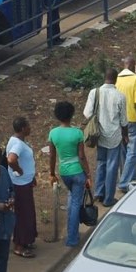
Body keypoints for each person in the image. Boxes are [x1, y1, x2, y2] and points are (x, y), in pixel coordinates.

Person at [47, 100, 91, 247]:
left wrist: (52, 173)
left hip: (64, 172)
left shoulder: (53, 133)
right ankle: (72, 238)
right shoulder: (77, 133)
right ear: (71, 115)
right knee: (76, 203)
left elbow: (52, 156)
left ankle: (71, 232)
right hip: (78, 171)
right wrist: (88, 174)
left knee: (72, 198)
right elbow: (82, 156)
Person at [83, 67, 128, 206]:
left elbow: (87, 113)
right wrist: (125, 135)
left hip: (99, 134)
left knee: (101, 163)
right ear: (116, 79)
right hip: (114, 135)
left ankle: (99, 193)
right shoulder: (120, 96)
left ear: (104, 77)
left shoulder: (94, 92)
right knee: (112, 166)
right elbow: (123, 121)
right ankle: (108, 199)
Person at [5, 117, 38, 257]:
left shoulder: (16, 140)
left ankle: (26, 240)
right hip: (20, 185)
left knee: (27, 213)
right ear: (23, 128)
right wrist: (19, 170)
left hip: (25, 182)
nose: (30, 128)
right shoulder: (18, 144)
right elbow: (11, 159)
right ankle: (19, 245)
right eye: (28, 126)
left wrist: (31, 176)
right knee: (23, 215)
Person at [115, 55, 136, 190]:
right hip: (133, 120)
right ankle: (124, 183)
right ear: (133, 66)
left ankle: (130, 176)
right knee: (133, 152)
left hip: (119, 121)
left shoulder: (116, 79)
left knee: (123, 151)